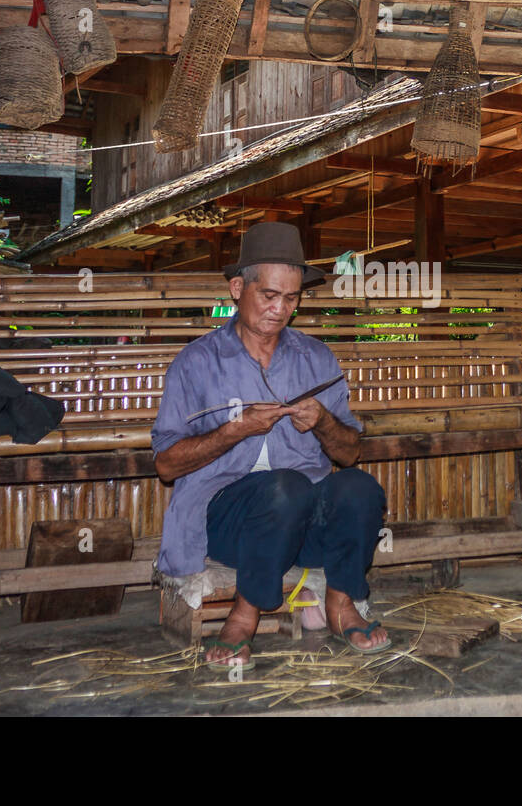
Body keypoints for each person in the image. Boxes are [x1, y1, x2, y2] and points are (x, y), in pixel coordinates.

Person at [151, 222, 391, 670]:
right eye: (269, 295)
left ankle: (341, 601)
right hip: (230, 527)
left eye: (292, 298)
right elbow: (166, 466)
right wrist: (233, 431)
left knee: (358, 488)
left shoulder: (316, 358)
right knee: (285, 488)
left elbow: (348, 452)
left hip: (302, 530)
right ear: (238, 288)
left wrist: (322, 421)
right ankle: (245, 613)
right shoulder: (197, 363)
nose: (280, 309)